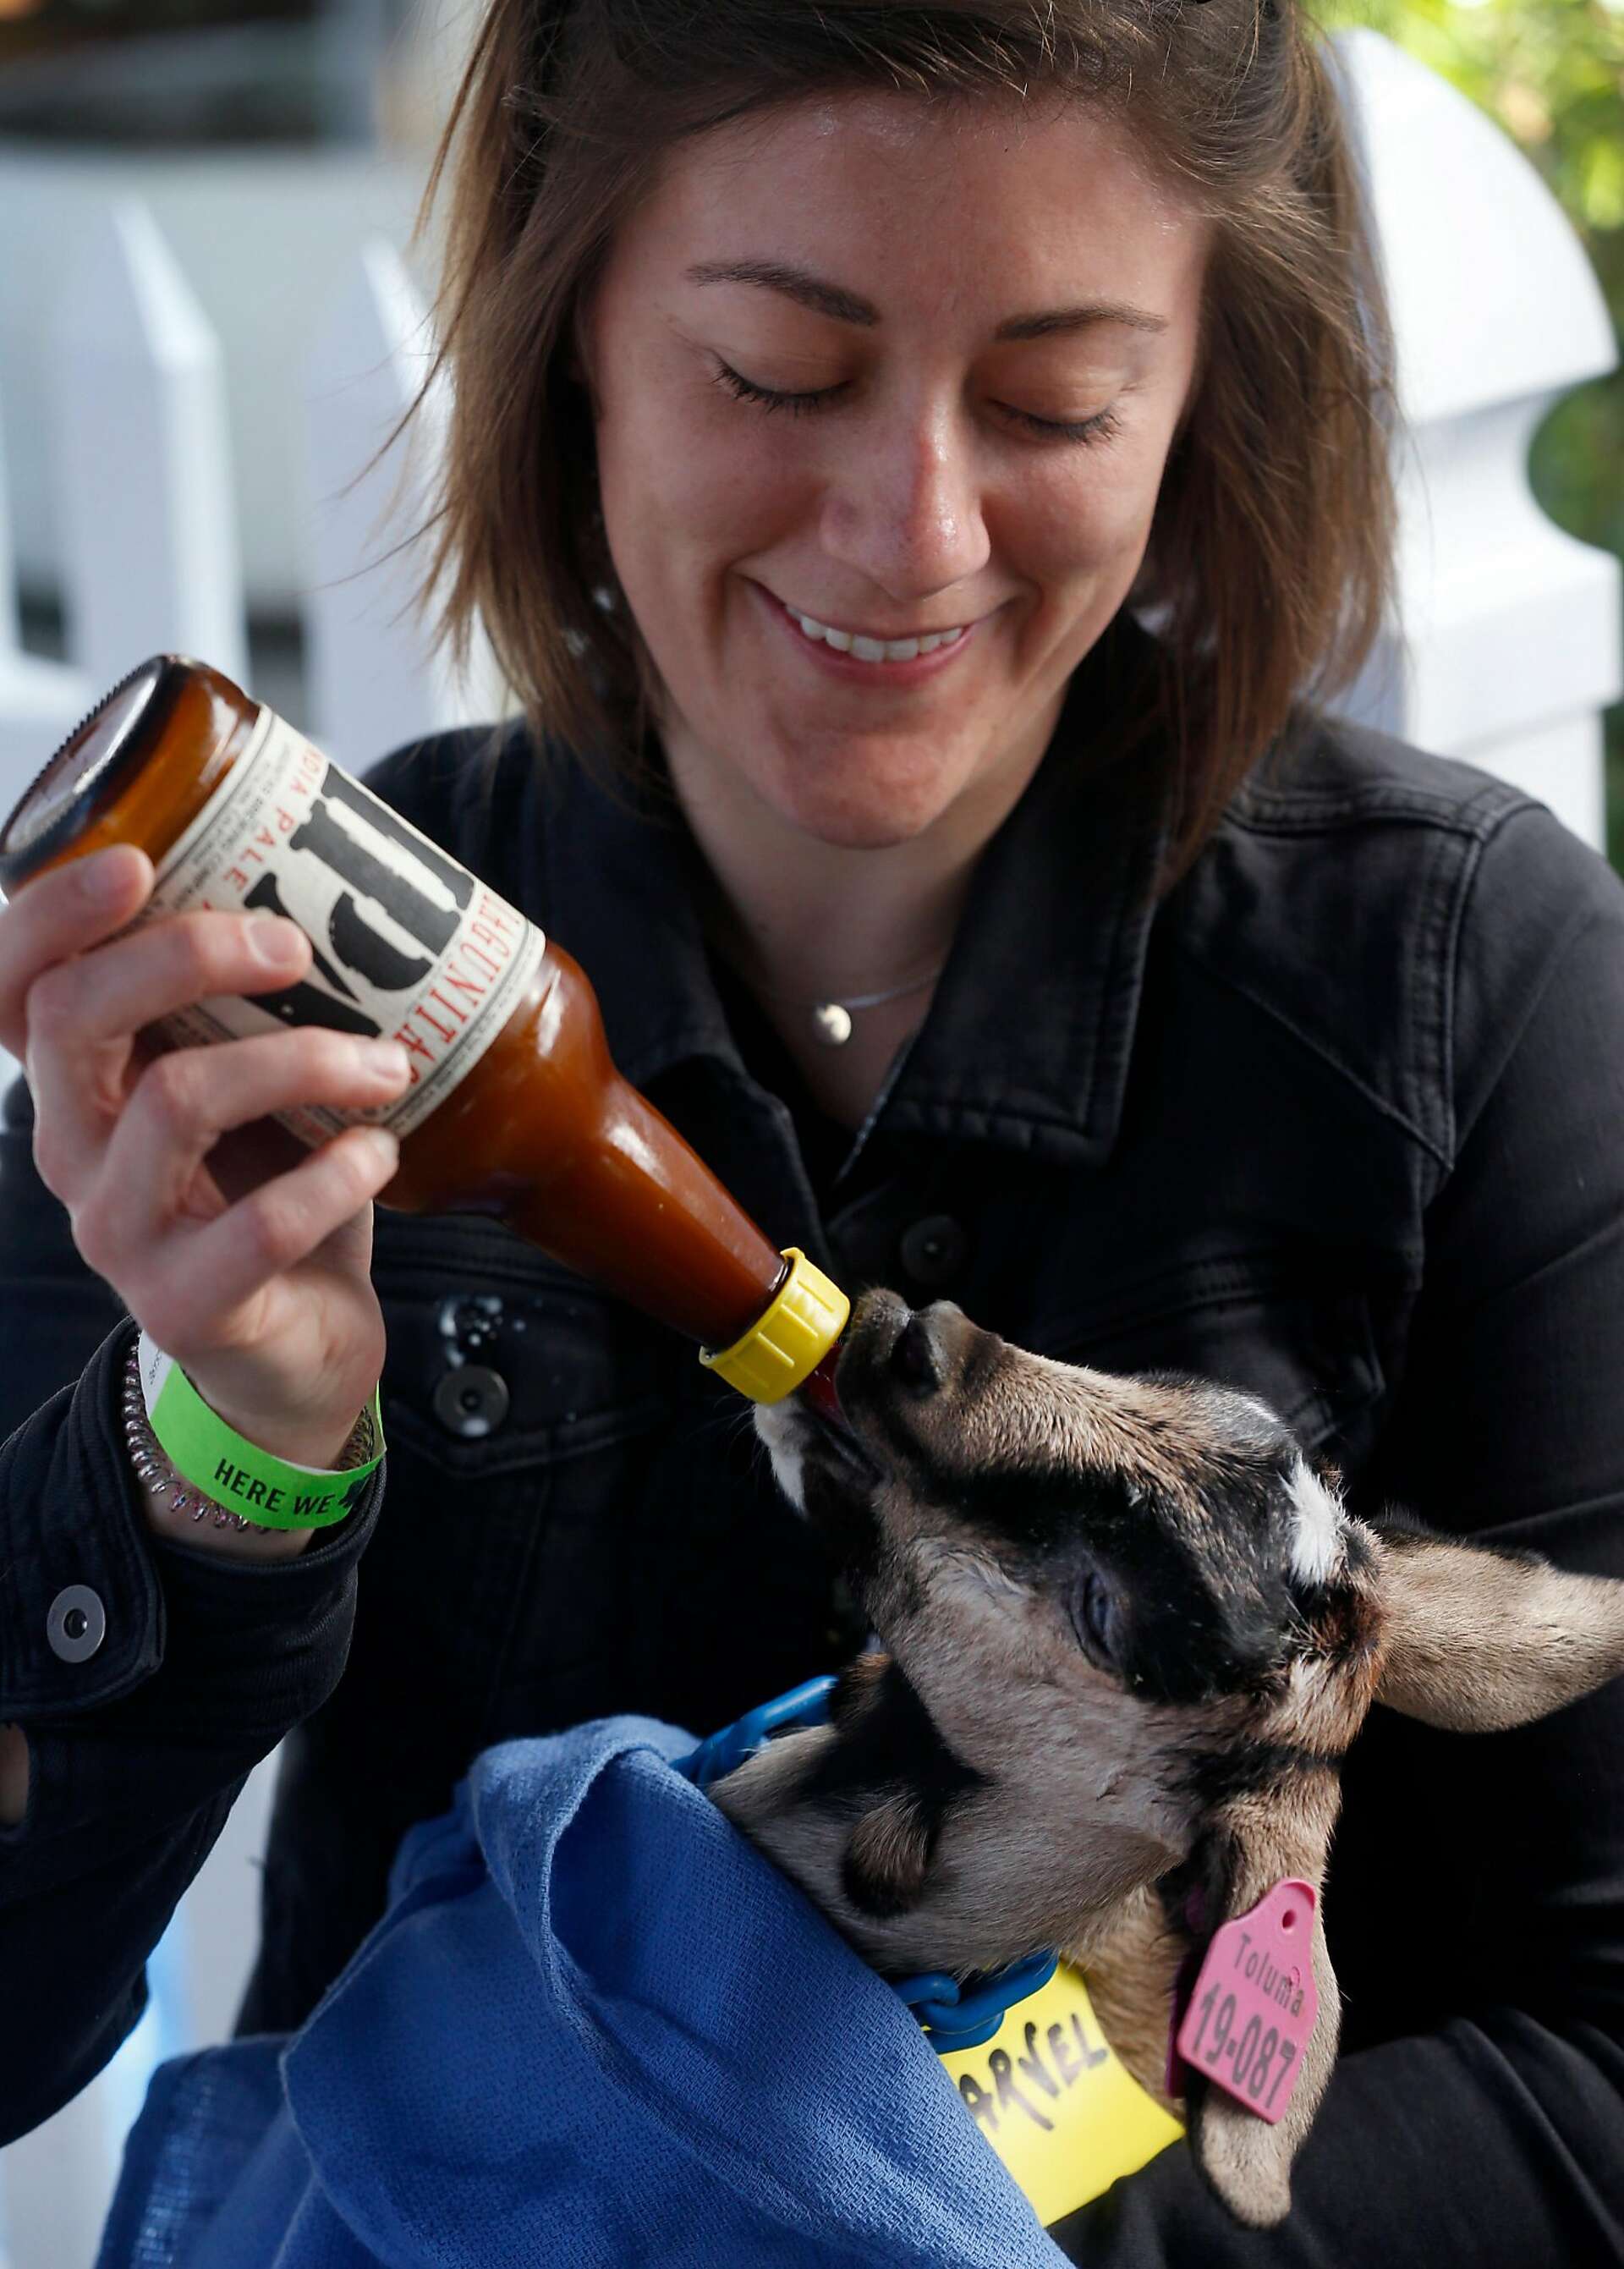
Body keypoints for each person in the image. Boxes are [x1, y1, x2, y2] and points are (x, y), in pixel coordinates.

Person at [2, 0, 1622, 2259]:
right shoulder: (287, 1020)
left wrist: (864, 2233)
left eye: (1056, 398)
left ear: (1200, 397)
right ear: (573, 334)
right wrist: (228, 1464)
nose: (912, 532)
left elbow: (1600, 2072)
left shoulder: (1464, 988)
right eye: (779, 374)